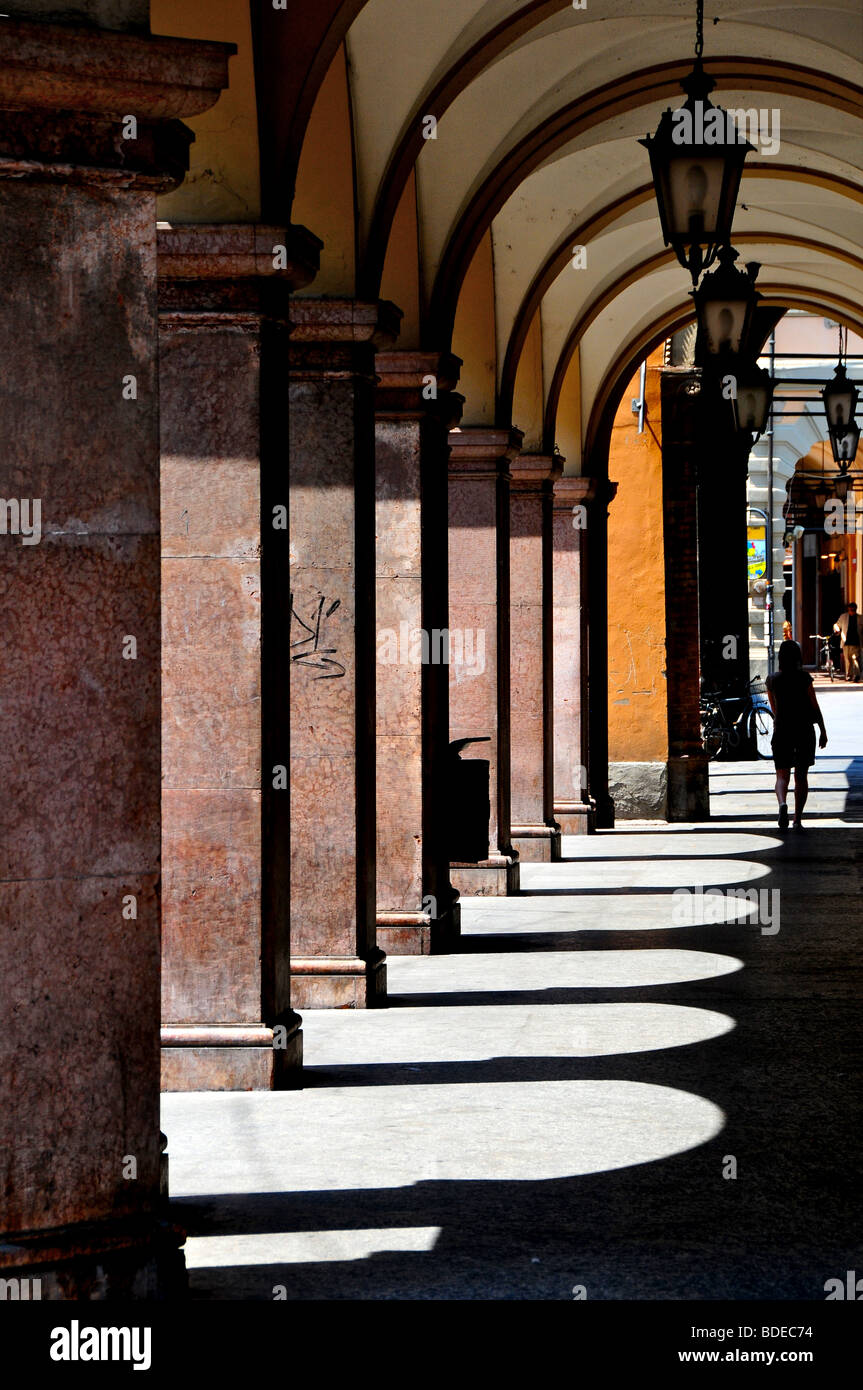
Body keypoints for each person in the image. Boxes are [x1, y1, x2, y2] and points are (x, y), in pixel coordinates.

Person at [766, 640, 827, 830]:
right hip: (804, 730)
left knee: (781, 775)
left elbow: (773, 708)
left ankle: (782, 804)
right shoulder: (804, 678)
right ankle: (797, 819)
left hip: (782, 730)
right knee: (801, 776)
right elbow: (814, 706)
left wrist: (781, 721)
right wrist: (823, 730)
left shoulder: (772, 680)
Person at [833, 602, 861, 682]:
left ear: (856, 609)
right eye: (851, 610)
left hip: (856, 643)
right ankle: (849, 675)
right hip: (846, 642)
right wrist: (836, 629)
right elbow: (837, 624)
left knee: (855, 659)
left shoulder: (860, 618)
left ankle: (857, 675)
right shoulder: (843, 617)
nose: (852, 611)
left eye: (854, 610)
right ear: (848, 610)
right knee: (848, 660)